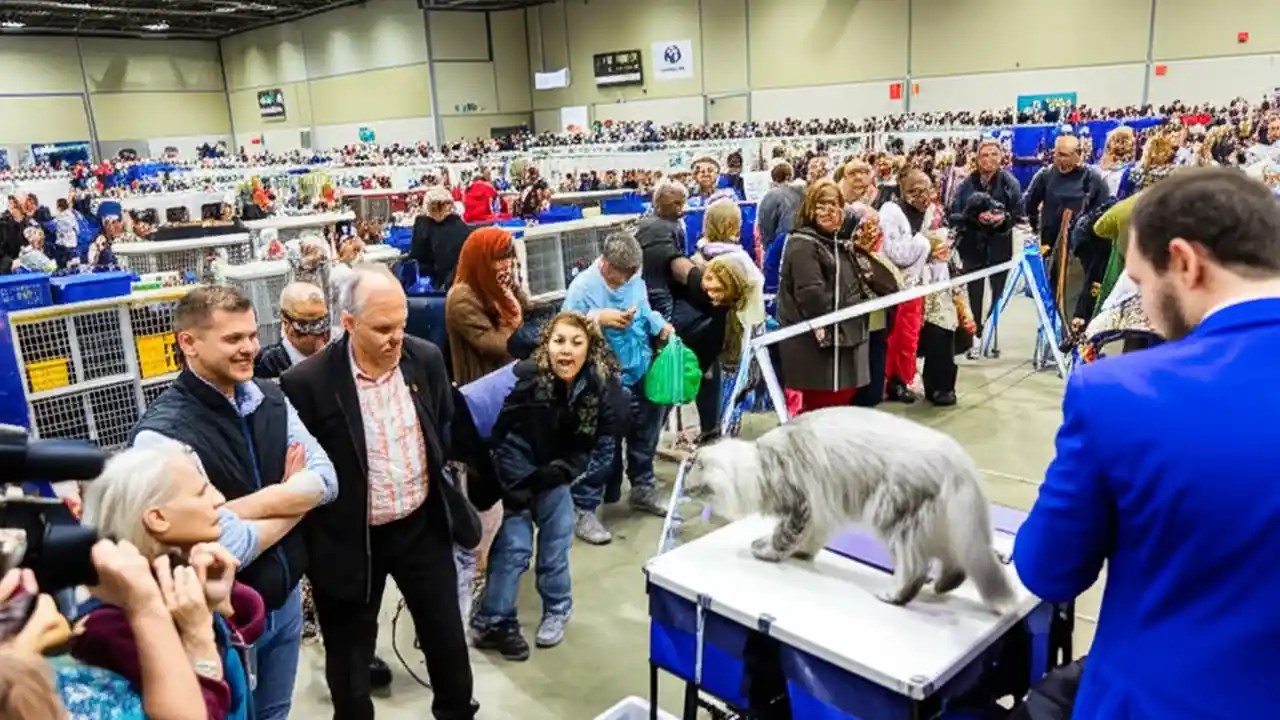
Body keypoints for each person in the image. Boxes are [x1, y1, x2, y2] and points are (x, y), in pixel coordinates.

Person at [1014, 169, 1280, 719]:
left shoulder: (1120, 393)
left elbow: (1048, 569)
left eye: (1139, 283)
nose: (1143, 304)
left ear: (1184, 262)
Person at [130, 285, 338, 720]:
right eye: (233, 339)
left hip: (283, 608)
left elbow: (327, 479)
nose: (250, 348)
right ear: (189, 343)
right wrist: (292, 497)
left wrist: (239, 508)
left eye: (251, 335)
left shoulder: (271, 399)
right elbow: (229, 546)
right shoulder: (162, 435)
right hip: (219, 619)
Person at [281, 264, 478, 720]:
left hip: (420, 527)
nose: (396, 338)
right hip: (349, 540)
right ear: (348, 324)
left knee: (447, 641)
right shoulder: (308, 384)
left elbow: (443, 430)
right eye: (383, 328)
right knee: (350, 661)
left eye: (403, 324)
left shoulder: (424, 358)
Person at [75, 443, 266, 720]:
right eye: (202, 492)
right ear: (158, 518)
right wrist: (199, 634)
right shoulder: (114, 631)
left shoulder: (175, 588)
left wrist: (217, 611)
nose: (219, 499)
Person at [471, 312, 614, 660]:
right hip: (514, 480)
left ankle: (558, 609)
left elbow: (584, 444)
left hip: (554, 478)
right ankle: (493, 619)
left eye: (576, 343)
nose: (567, 350)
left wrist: (557, 475)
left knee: (556, 547)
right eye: (558, 341)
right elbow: (503, 439)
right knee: (513, 550)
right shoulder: (525, 379)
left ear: (589, 349)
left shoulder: (593, 387)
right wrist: (516, 487)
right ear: (546, 345)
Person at [562, 232, 673, 544]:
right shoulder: (583, 289)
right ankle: (583, 508)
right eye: (622, 274)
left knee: (646, 432)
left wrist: (659, 325)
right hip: (603, 379)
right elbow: (565, 332)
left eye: (632, 273)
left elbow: (646, 309)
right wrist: (598, 318)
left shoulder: (635, 281)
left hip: (641, 369)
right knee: (603, 446)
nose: (628, 280)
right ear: (606, 266)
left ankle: (643, 488)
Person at [776, 179, 871, 415]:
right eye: (822, 204)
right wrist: (831, 325)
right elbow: (810, 294)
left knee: (839, 406)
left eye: (835, 204)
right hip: (819, 343)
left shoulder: (837, 241)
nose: (829, 211)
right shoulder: (802, 243)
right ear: (810, 208)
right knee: (822, 409)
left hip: (844, 335)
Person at [949, 139, 1022, 356]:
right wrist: (974, 217)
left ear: (1001, 158)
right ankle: (975, 335)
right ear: (977, 159)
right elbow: (954, 213)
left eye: (993, 154)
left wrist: (1001, 220)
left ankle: (989, 332)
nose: (989, 159)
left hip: (1000, 247)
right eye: (984, 155)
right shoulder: (965, 185)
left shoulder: (1010, 183)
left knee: (998, 293)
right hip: (972, 247)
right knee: (974, 294)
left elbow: (1017, 213)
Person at [445, 227, 524, 384]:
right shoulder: (461, 298)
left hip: (512, 372)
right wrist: (513, 319)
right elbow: (497, 347)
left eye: (508, 256)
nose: (506, 264)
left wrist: (513, 292)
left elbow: (529, 313)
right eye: (499, 258)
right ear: (481, 259)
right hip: (484, 384)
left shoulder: (497, 284)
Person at [255, 282, 331, 380]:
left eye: (324, 323)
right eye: (308, 327)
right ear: (287, 324)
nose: (321, 336)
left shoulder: (337, 359)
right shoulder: (267, 366)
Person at [410, 186, 471, 290]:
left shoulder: (425, 227)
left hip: (442, 288)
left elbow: (418, 259)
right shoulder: (462, 228)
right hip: (461, 285)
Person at [756, 162, 804, 249]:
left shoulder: (768, 196)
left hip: (776, 247)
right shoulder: (800, 193)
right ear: (789, 176)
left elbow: (764, 227)